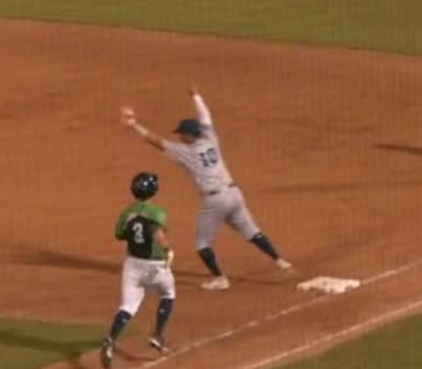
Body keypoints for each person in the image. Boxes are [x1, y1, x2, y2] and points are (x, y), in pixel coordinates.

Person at [119, 88, 293, 290]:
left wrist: (134, 125)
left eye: (182, 133)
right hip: (234, 194)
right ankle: (280, 261)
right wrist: (196, 96)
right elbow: (205, 116)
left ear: (189, 135)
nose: (180, 136)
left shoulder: (186, 152)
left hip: (215, 201)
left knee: (202, 244)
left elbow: (154, 141)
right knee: (253, 232)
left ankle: (220, 279)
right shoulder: (211, 138)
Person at [100, 171, 176, 369]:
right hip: (155, 265)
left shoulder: (126, 213)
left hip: (132, 265)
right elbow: (158, 233)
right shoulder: (157, 212)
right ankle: (157, 335)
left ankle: (111, 338)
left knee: (128, 306)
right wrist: (168, 249)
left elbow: (119, 234)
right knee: (168, 293)